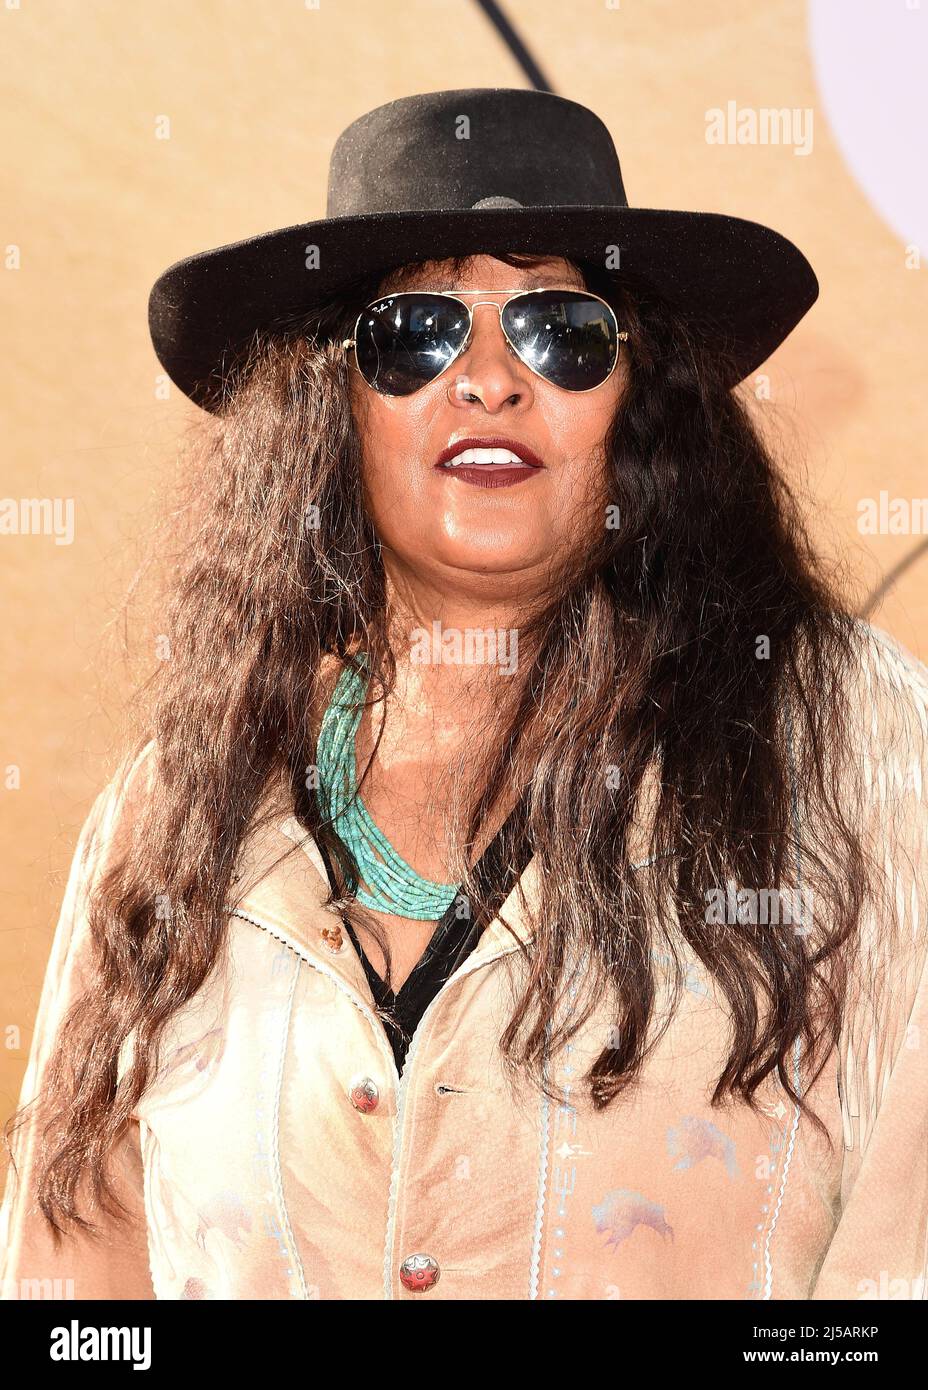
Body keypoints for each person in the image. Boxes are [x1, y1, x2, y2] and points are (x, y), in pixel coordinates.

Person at [2, 88, 926, 1302]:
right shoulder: (171, 814)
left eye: (561, 331)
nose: (488, 377)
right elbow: (76, 1294)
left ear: (639, 404)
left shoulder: (842, 741)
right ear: (326, 404)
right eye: (413, 332)